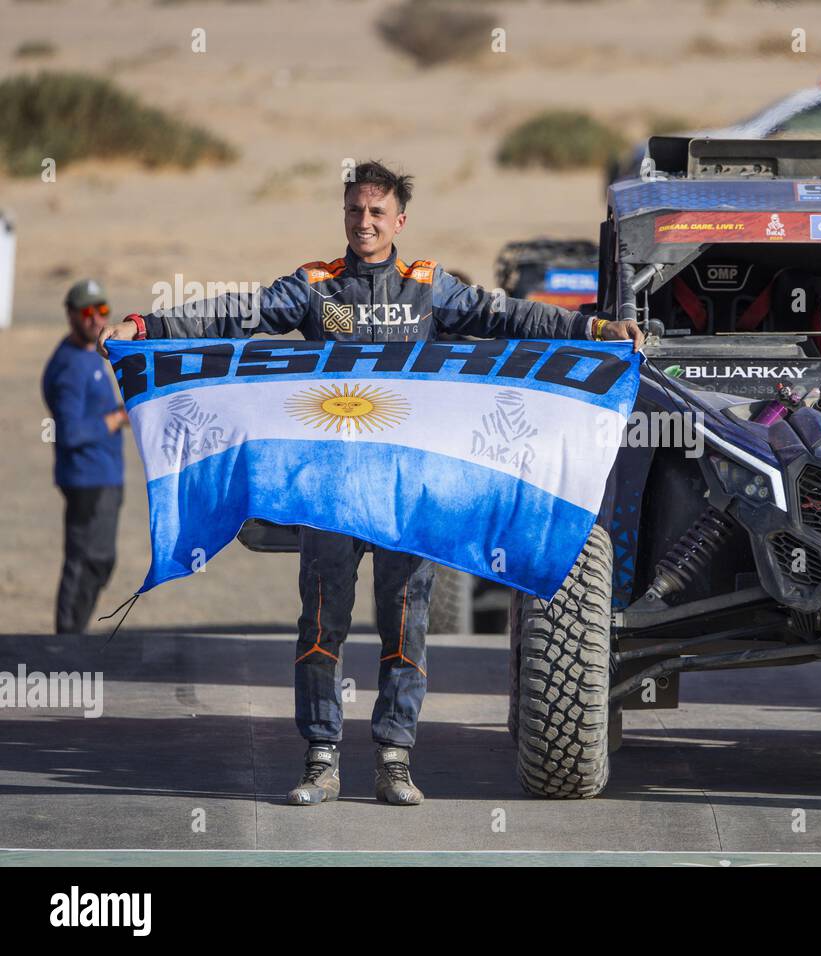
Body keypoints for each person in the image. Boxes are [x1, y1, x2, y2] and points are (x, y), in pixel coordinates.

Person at [98, 160, 643, 806]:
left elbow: (511, 319)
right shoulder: (313, 286)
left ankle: (394, 759)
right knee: (320, 627)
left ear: (399, 221)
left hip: (406, 500)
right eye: (355, 211)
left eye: (376, 213)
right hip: (327, 494)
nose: (364, 222)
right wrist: (147, 327)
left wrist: (593, 330)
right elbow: (236, 315)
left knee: (405, 629)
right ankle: (321, 759)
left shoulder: (430, 287)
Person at [42, 280, 129, 635]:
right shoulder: (70, 368)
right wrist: (116, 418)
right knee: (85, 561)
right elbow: (70, 432)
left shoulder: (87, 355)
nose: (96, 320)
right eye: (87, 313)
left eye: (102, 311)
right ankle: (67, 639)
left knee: (100, 560)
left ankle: (73, 634)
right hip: (86, 480)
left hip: (104, 475)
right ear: (71, 315)